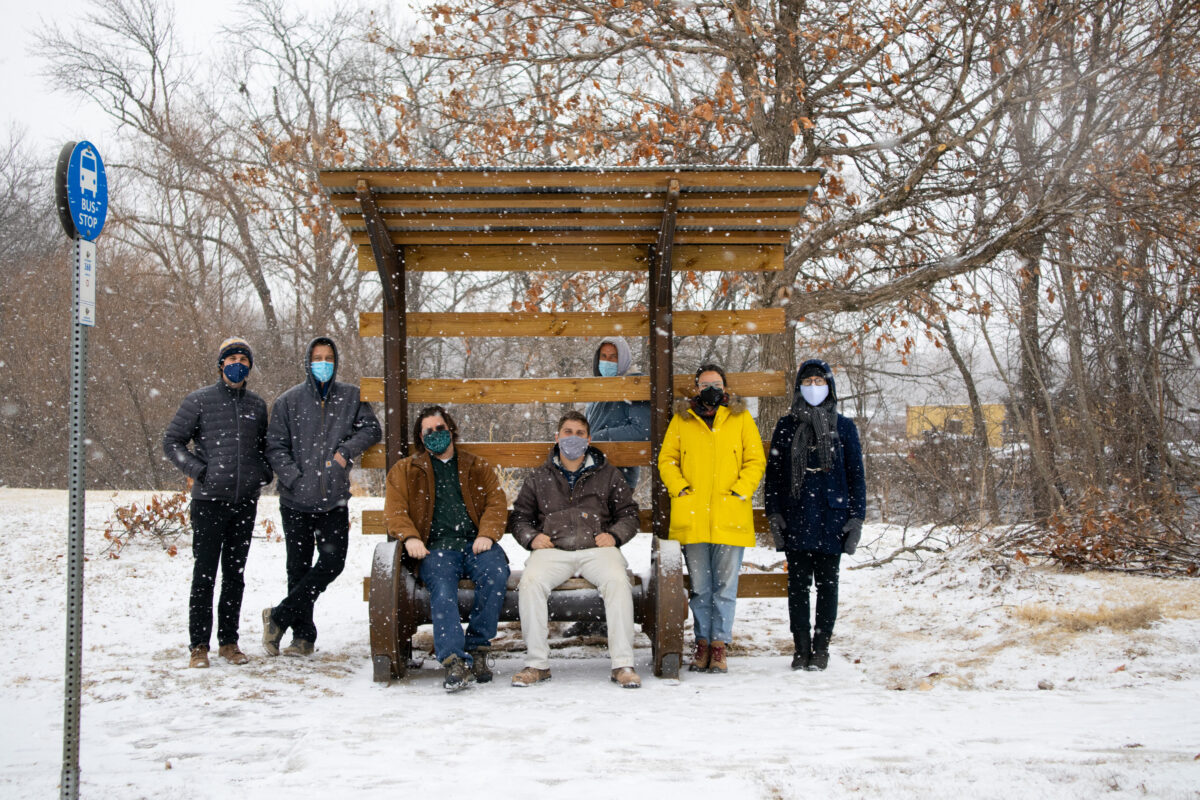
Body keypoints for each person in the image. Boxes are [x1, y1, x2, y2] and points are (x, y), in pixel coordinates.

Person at [262, 336, 381, 658]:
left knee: (332, 563)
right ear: (307, 361)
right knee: (297, 569)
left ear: (336, 361)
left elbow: (372, 430)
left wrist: (345, 453)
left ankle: (278, 616)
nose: (323, 363)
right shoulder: (289, 402)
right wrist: (293, 477)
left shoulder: (351, 397)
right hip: (295, 500)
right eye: (318, 358)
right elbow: (275, 446)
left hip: (333, 499)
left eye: (329, 358)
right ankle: (303, 637)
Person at [509, 411, 642, 688]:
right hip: (552, 549)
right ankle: (537, 664)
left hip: (597, 548)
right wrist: (532, 538)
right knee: (530, 582)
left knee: (618, 582)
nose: (573, 438)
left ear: (589, 439)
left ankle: (623, 664)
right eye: (567, 433)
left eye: (580, 433)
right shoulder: (540, 477)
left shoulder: (608, 474)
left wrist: (615, 535)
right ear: (557, 438)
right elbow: (520, 517)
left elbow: (629, 514)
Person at [163, 337, 273, 669]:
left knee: (235, 575)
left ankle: (229, 642)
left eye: (243, 358)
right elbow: (172, 442)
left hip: (244, 502)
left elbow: (266, 448)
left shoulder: (256, 405)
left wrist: (262, 474)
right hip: (209, 502)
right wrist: (199, 471)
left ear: (249, 366)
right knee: (205, 574)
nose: (237, 363)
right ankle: (199, 646)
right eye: (231, 358)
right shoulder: (199, 401)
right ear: (221, 364)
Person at [383, 406, 510, 692]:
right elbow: (395, 511)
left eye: (440, 428)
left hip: (475, 543)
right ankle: (453, 659)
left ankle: (478, 648)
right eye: (429, 431)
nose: (436, 435)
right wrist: (410, 537)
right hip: (437, 548)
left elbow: (496, 503)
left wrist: (488, 534)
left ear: (450, 430)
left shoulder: (475, 466)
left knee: (496, 574)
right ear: (421, 437)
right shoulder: (405, 471)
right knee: (441, 586)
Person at [658, 364, 765, 675]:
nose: (711, 389)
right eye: (705, 384)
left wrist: (740, 491)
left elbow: (755, 459)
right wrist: (680, 489)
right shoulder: (682, 419)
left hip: (730, 513)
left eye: (716, 383)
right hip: (692, 515)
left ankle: (720, 645)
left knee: (725, 587)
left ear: (725, 386)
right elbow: (667, 459)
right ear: (696, 388)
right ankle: (701, 642)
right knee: (701, 587)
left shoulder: (740, 417)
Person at [764, 359, 866, 671]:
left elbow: (856, 476)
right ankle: (801, 647)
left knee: (828, 586)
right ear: (798, 388)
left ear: (830, 387)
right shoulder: (786, 425)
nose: (813, 387)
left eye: (819, 382)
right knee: (797, 587)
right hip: (796, 517)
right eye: (807, 382)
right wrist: (775, 513)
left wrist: (856, 518)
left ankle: (821, 648)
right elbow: (775, 476)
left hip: (832, 519)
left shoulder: (845, 427)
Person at [585, 336, 651, 491]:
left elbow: (643, 430)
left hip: (619, 478)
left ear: (623, 359)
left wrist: (599, 438)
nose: (607, 361)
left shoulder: (635, 386)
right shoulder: (596, 391)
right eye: (604, 356)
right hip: (591, 476)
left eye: (613, 357)